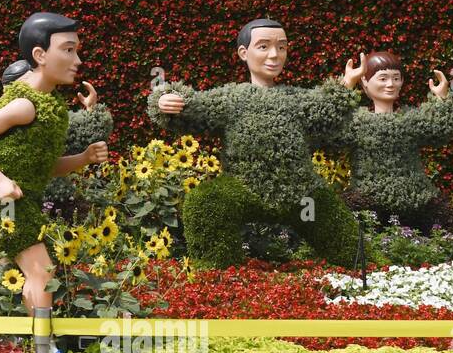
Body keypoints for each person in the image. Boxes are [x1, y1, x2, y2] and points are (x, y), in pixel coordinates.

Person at [147, 18, 362, 269]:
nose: (275, 55)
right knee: (206, 202)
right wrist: (165, 99)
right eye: (264, 46)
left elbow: (327, 111)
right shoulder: (231, 98)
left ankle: (370, 275)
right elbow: (192, 107)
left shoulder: (296, 99)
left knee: (345, 239)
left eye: (281, 47)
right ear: (243, 53)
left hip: (302, 196)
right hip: (243, 190)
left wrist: (348, 84)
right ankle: (218, 277)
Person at [0, 12, 110, 313]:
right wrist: (0, 181)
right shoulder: (25, 105)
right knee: (41, 272)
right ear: (40, 55)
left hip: (23, 198)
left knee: (8, 269)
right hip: (0, 200)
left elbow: (42, 167)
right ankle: (44, 352)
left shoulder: (50, 107)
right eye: (68, 50)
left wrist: (83, 158)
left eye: (77, 50)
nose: (77, 60)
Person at [330, 50, 453, 239]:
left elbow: (440, 128)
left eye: (396, 78)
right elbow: (329, 130)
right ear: (365, 82)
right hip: (367, 195)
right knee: (338, 227)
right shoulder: (356, 121)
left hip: (418, 195)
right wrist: (346, 84)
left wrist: (442, 98)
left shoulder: (410, 119)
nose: (390, 84)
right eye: (382, 78)